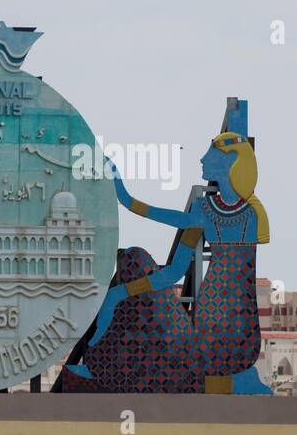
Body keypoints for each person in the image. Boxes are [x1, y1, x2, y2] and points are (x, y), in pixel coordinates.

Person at [64, 131, 269, 394]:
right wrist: (123, 292)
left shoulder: (247, 215)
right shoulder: (204, 211)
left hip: (232, 330)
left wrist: (124, 195)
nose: (203, 159)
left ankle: (104, 368)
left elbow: (158, 216)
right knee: (132, 261)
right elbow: (174, 272)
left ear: (231, 161)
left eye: (212, 154)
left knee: (133, 265)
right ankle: (99, 365)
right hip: (205, 324)